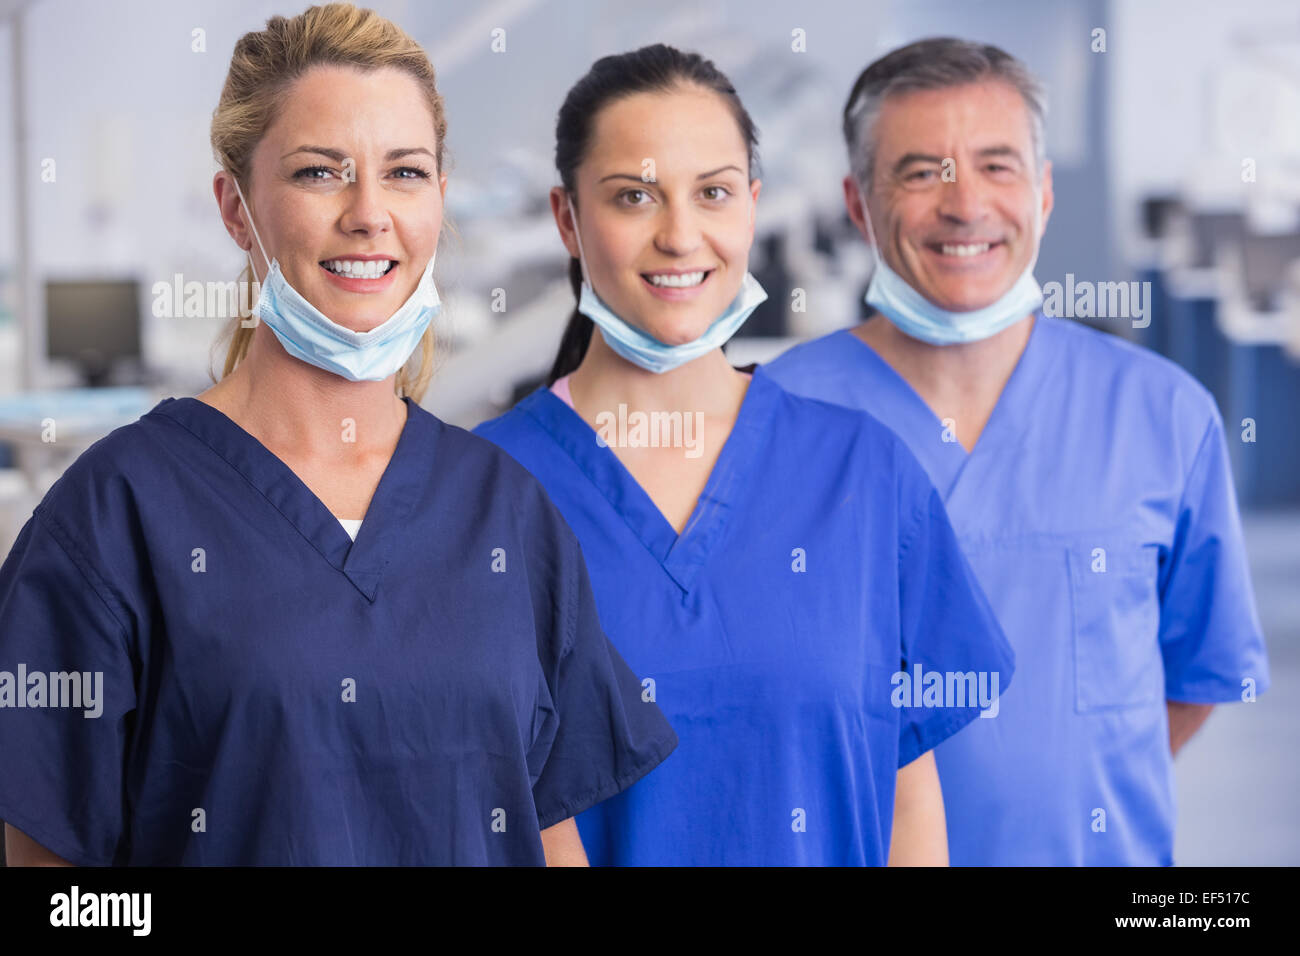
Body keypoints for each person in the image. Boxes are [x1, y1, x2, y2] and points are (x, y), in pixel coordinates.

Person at [0, 2, 675, 867]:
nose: (368, 213)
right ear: (237, 210)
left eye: (404, 173)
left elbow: (546, 838)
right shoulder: (116, 516)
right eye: (320, 173)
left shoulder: (504, 514)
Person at [474, 44, 1015, 866]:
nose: (680, 235)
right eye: (633, 197)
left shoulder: (863, 476)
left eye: (714, 193)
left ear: (752, 208)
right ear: (567, 218)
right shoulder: (482, 495)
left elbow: (907, 798)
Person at [765, 37, 1271, 865]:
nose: (965, 205)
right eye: (922, 172)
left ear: (1042, 194)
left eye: (997, 167)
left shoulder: (1163, 415)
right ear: (858, 204)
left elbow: (1190, 681)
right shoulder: (775, 414)